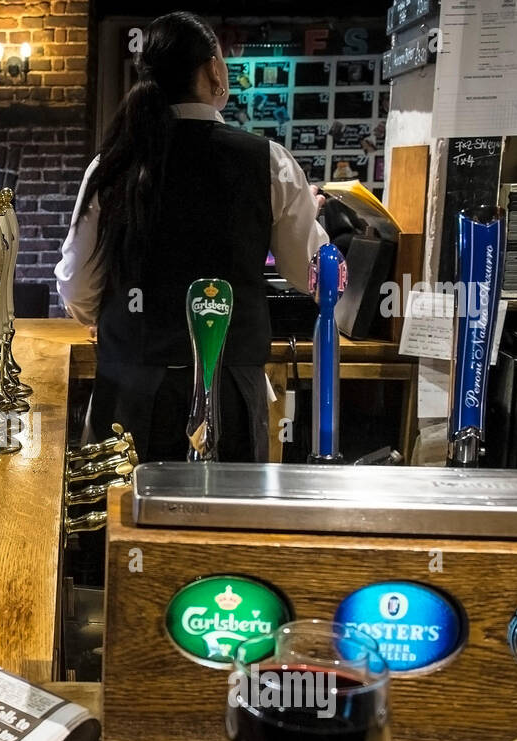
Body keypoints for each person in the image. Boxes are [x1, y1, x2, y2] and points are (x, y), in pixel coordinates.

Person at [55, 11, 328, 463]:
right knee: (219, 527)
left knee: (120, 525)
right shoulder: (270, 161)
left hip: (131, 391)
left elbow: (79, 291)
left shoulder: (112, 164)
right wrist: (311, 217)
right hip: (230, 397)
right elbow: (310, 274)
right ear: (213, 70)